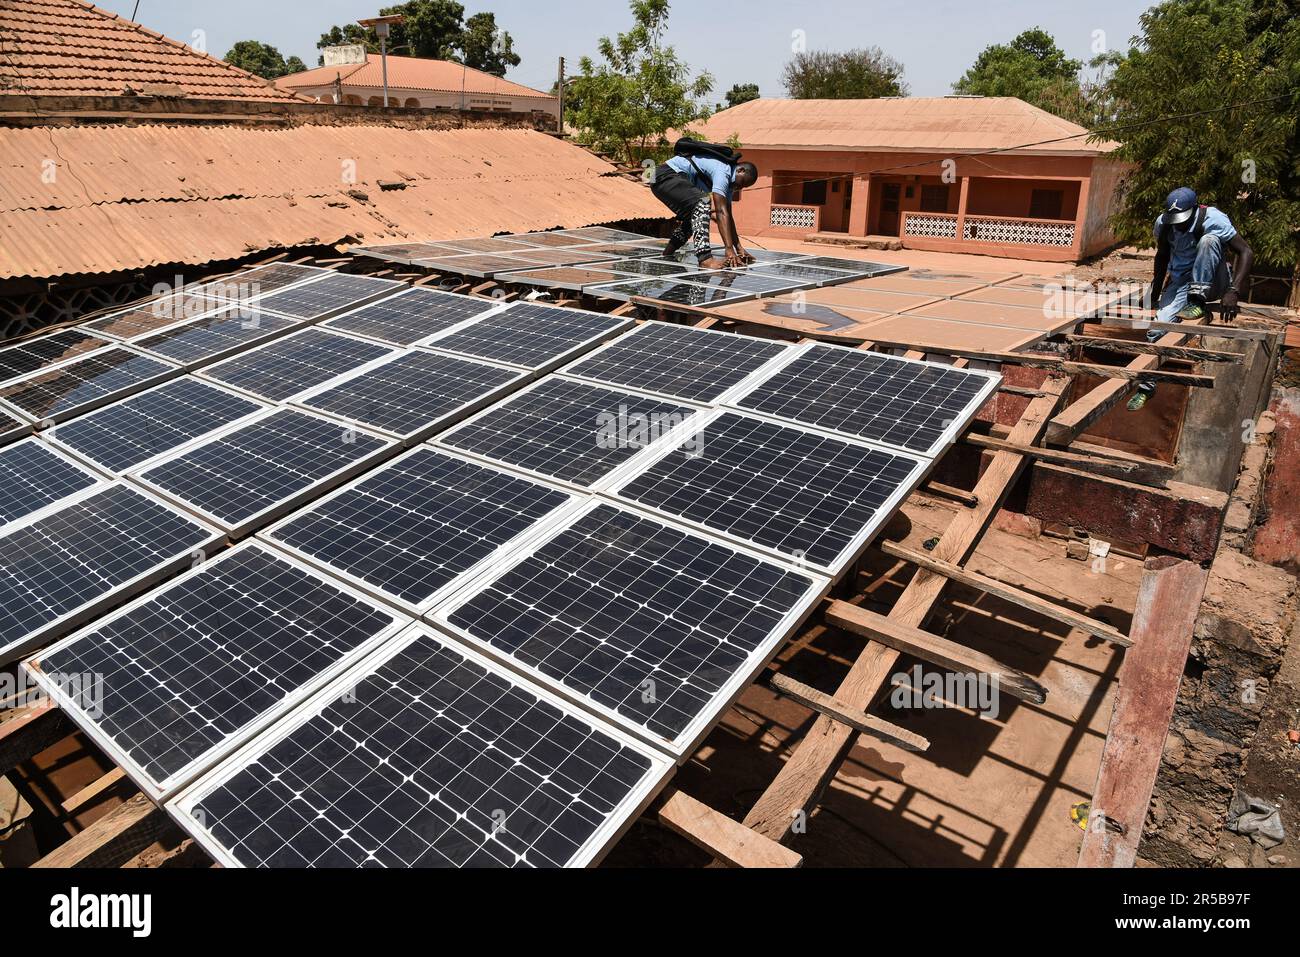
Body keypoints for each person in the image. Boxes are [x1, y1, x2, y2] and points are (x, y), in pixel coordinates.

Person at [1128, 186, 1253, 411]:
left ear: (1195, 209)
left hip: (1215, 280)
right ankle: (1147, 385)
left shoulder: (1213, 218)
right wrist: (1154, 293)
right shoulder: (1165, 223)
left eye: (1182, 220)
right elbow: (1162, 256)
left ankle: (1197, 300)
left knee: (1209, 241)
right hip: (1182, 282)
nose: (1179, 224)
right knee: (1156, 328)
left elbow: (1246, 252)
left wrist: (1233, 291)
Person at [650, 150, 758, 269]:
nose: (739, 187)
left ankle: (667, 253)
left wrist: (739, 249)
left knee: (694, 218)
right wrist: (728, 250)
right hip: (664, 176)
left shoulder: (729, 186)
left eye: (743, 187)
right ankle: (705, 259)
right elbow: (720, 212)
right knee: (703, 202)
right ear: (740, 170)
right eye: (742, 182)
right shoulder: (723, 171)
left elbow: (727, 217)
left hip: (664, 179)